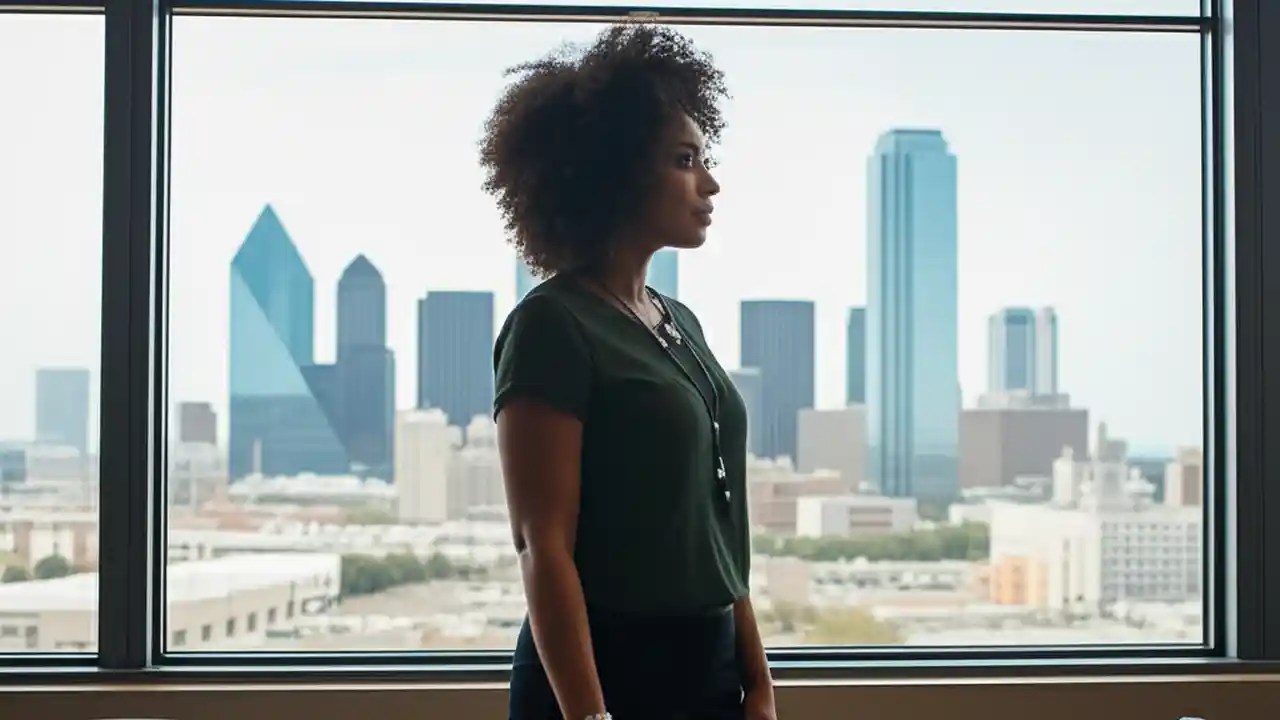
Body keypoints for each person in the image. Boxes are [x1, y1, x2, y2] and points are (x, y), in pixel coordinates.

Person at [480, 22, 777, 720]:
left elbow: (717, 529)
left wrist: (759, 684)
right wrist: (588, 715)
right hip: (602, 673)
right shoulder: (552, 326)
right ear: (616, 171)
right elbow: (542, 545)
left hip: (710, 670)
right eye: (684, 159)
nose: (710, 183)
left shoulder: (680, 322)